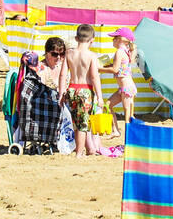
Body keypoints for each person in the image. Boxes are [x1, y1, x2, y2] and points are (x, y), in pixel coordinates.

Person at [58, 24, 104, 157]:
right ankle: (79, 153)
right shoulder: (91, 55)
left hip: (72, 89)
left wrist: (61, 92)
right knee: (83, 124)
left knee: (75, 122)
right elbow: (94, 77)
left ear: (76, 38)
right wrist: (100, 97)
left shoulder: (69, 53)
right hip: (85, 90)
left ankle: (79, 150)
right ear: (92, 40)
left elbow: (63, 74)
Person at [102, 26, 138, 133]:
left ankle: (130, 138)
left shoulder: (119, 52)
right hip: (125, 88)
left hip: (126, 88)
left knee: (128, 116)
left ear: (121, 39)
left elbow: (114, 69)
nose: (113, 40)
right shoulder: (125, 51)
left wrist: (97, 68)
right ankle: (116, 131)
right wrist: (107, 66)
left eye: (114, 38)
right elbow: (119, 67)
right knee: (108, 106)